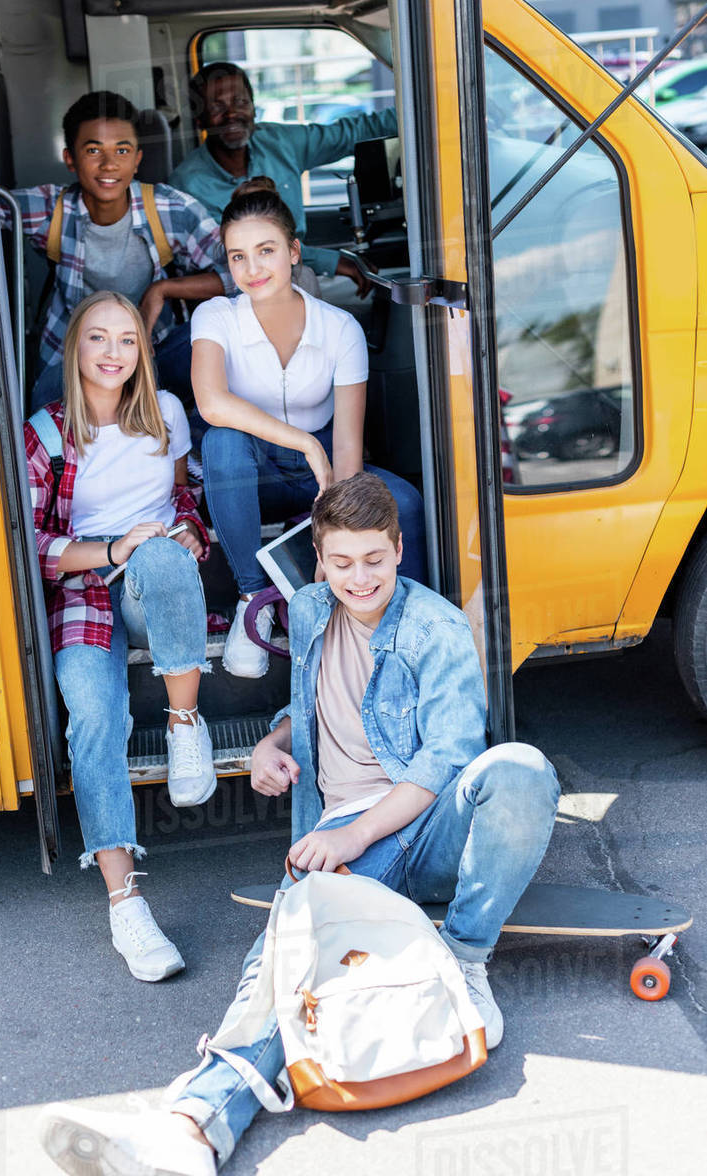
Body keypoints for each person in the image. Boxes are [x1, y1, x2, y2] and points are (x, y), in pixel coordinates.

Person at [38, 471, 560, 1176]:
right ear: (319, 560)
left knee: (521, 767)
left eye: (373, 559)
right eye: (341, 561)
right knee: (286, 959)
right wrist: (271, 744)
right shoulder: (312, 607)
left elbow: (446, 758)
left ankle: (465, 961)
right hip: (337, 826)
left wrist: (353, 835)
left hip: (419, 823)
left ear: (397, 549)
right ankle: (192, 1127)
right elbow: (315, 708)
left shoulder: (434, 626)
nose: (358, 577)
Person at [24, 289, 216, 981]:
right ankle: (125, 902)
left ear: (143, 351)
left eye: (127, 340)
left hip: (152, 581)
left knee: (162, 554)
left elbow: (185, 498)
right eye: (98, 339)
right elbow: (34, 545)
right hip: (82, 590)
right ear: (75, 348)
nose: (113, 353)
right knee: (94, 718)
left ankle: (184, 722)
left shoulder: (164, 417)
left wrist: (185, 533)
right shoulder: (44, 436)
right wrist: (110, 549)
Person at [190, 176, 427, 678]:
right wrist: (302, 444)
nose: (252, 269)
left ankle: (404, 635)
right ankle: (252, 598)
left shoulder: (340, 328)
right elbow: (212, 403)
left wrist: (330, 536)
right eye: (237, 257)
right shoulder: (215, 316)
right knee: (222, 442)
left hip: (321, 468)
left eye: (266, 250)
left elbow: (346, 456)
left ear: (295, 251)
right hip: (248, 476)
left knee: (403, 502)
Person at [1, 90, 232, 411]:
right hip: (73, 358)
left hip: (153, 350)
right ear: (70, 159)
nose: (109, 164)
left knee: (215, 333)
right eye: (93, 150)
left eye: (122, 150)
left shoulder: (167, 208)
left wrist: (162, 289)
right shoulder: (53, 209)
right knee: (45, 405)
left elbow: (243, 271)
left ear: (137, 159)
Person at [170, 62, 398, 296]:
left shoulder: (280, 142)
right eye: (217, 107)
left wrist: (418, 110)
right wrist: (333, 261)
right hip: (236, 287)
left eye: (240, 102)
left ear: (254, 108)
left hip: (294, 265)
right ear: (199, 119)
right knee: (301, 277)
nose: (232, 115)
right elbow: (245, 252)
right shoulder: (186, 185)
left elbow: (352, 133)